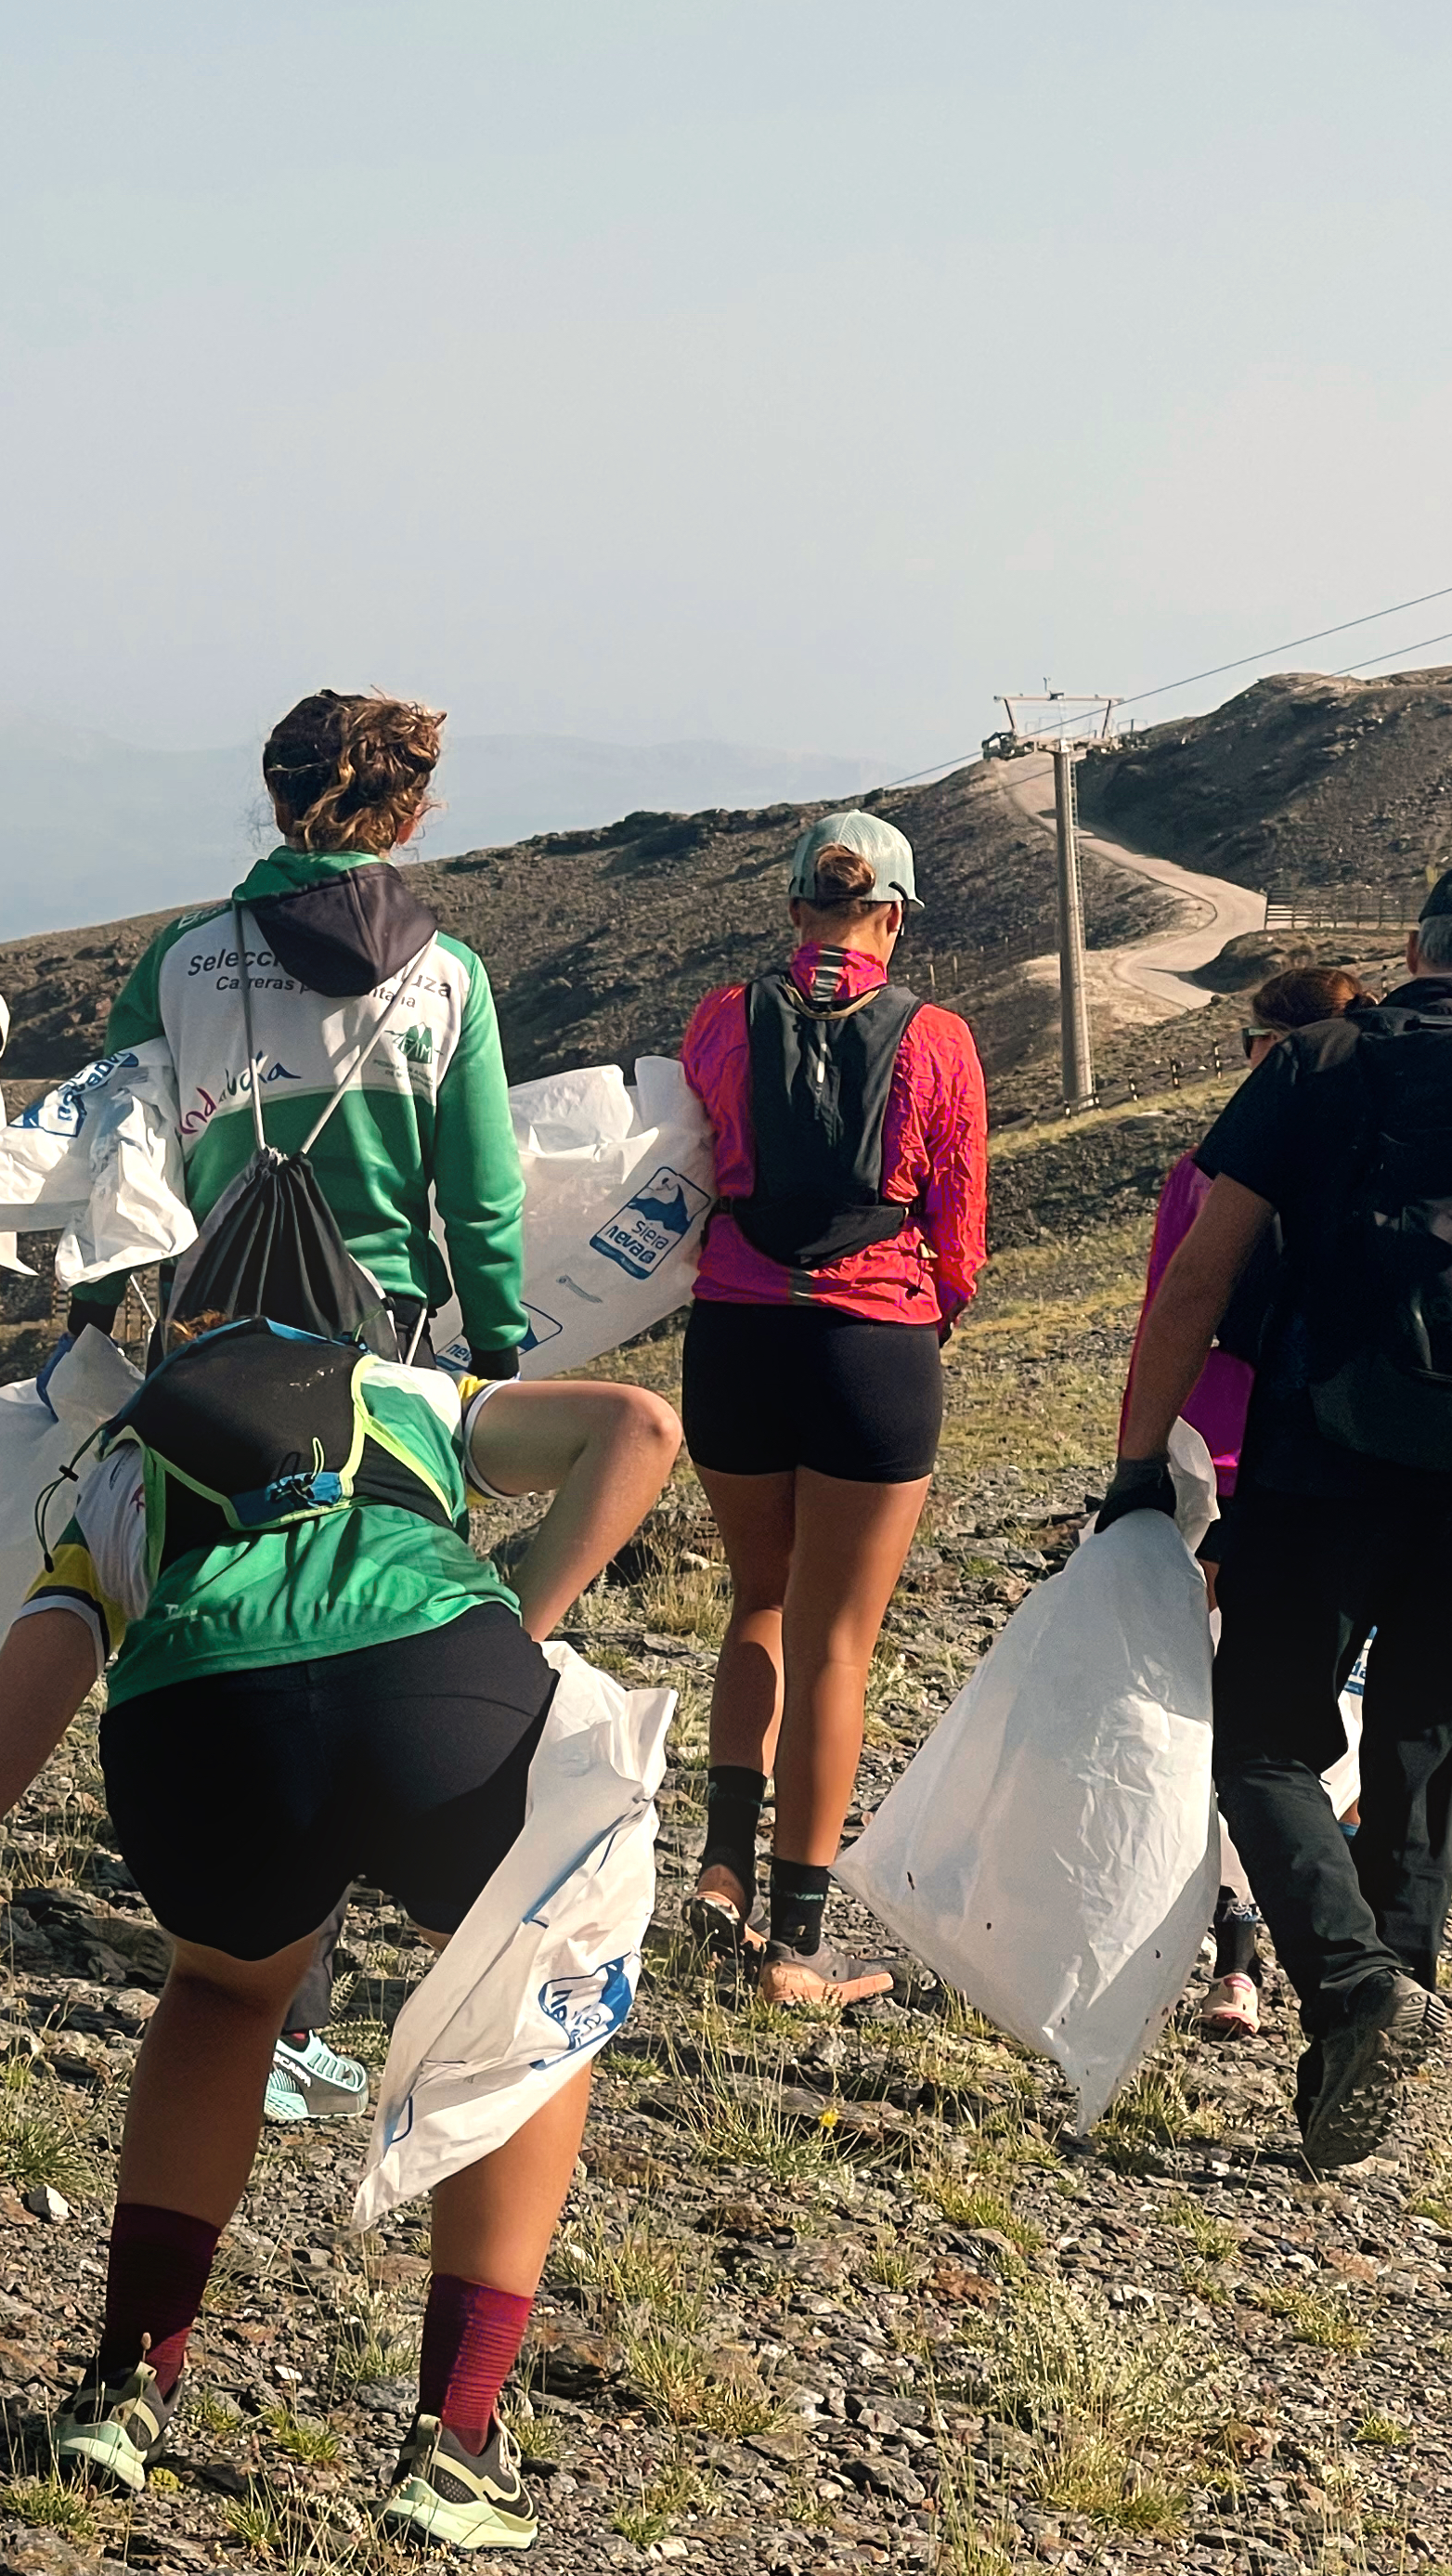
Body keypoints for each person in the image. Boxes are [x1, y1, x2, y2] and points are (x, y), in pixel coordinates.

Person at [0, 1347, 681, 2553]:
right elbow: (641, 1427)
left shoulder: (123, 1468)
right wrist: (519, 1625)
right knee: (529, 1997)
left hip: (202, 1720)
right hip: (444, 1684)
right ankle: (456, 2446)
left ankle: (125, 2390)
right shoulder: (406, 1392)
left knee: (220, 1992)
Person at [1111, 856, 1452, 2171]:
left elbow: (1195, 1284)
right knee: (1425, 1768)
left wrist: (1137, 1468)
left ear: (1415, 955)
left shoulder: (1313, 1066)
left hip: (1318, 1467)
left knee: (1263, 1749)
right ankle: (1365, 2040)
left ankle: (1351, 1992)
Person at [54, 687, 532, 2122]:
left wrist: (89, 1312)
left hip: (208, 1340)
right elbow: (484, 1191)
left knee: (238, 1631)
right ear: (412, 812)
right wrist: (495, 1346)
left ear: (274, 797)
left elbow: (111, 1144)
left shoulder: (185, 962)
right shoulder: (446, 976)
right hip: (380, 1358)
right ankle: (354, 2001)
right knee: (363, 1617)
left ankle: (252, 1989)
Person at [674, 811, 985, 2008]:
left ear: (795, 907)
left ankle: (718, 1876)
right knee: (836, 1641)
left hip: (737, 1336)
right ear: (893, 915)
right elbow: (960, 1231)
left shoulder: (719, 1017)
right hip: (874, 1345)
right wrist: (918, 1315)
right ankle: (796, 1952)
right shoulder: (939, 1039)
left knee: (756, 1598)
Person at [1124, 962, 1373, 2042]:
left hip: (1217, 1459)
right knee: (1339, 1713)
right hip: (1352, 1467)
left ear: (1275, 1053)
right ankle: (1306, 1944)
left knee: (1223, 1715)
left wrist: (1131, 1467)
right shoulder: (1389, 1168)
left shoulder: (1208, 1170)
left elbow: (1168, 1312)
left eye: (1250, 1050)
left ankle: (1225, 1949)